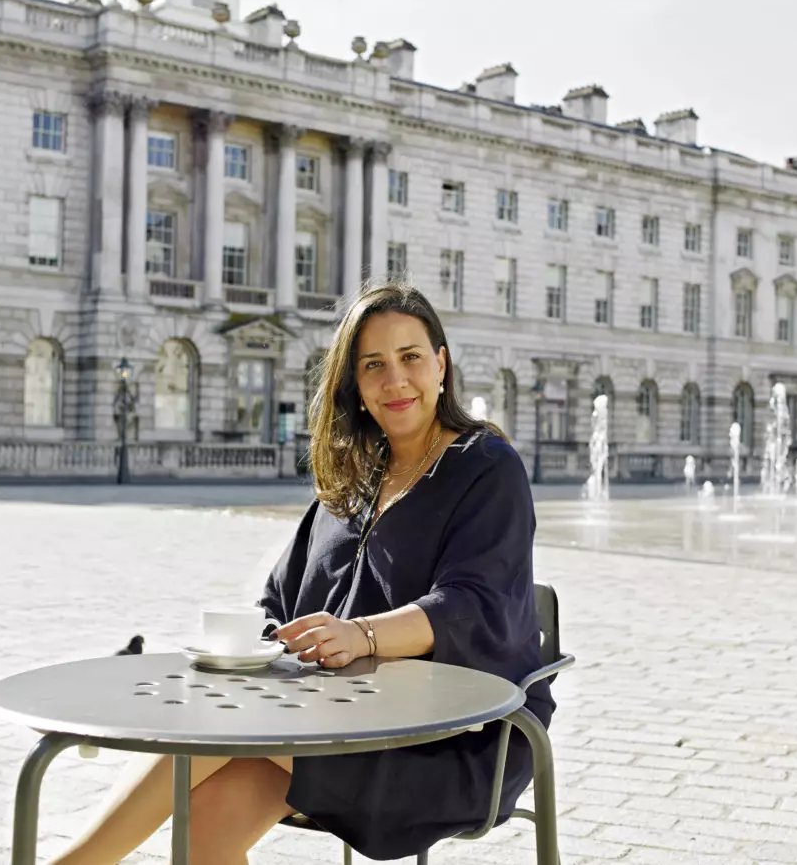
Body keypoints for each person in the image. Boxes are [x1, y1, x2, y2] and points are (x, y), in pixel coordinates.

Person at [49, 281, 554, 865]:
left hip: (446, 739)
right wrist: (246, 648)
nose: (395, 380)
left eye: (411, 357)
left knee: (214, 723)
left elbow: (475, 603)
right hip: (328, 721)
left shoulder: (486, 466)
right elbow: (280, 600)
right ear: (355, 386)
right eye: (373, 365)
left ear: (441, 363)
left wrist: (360, 634)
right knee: (205, 828)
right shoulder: (354, 477)